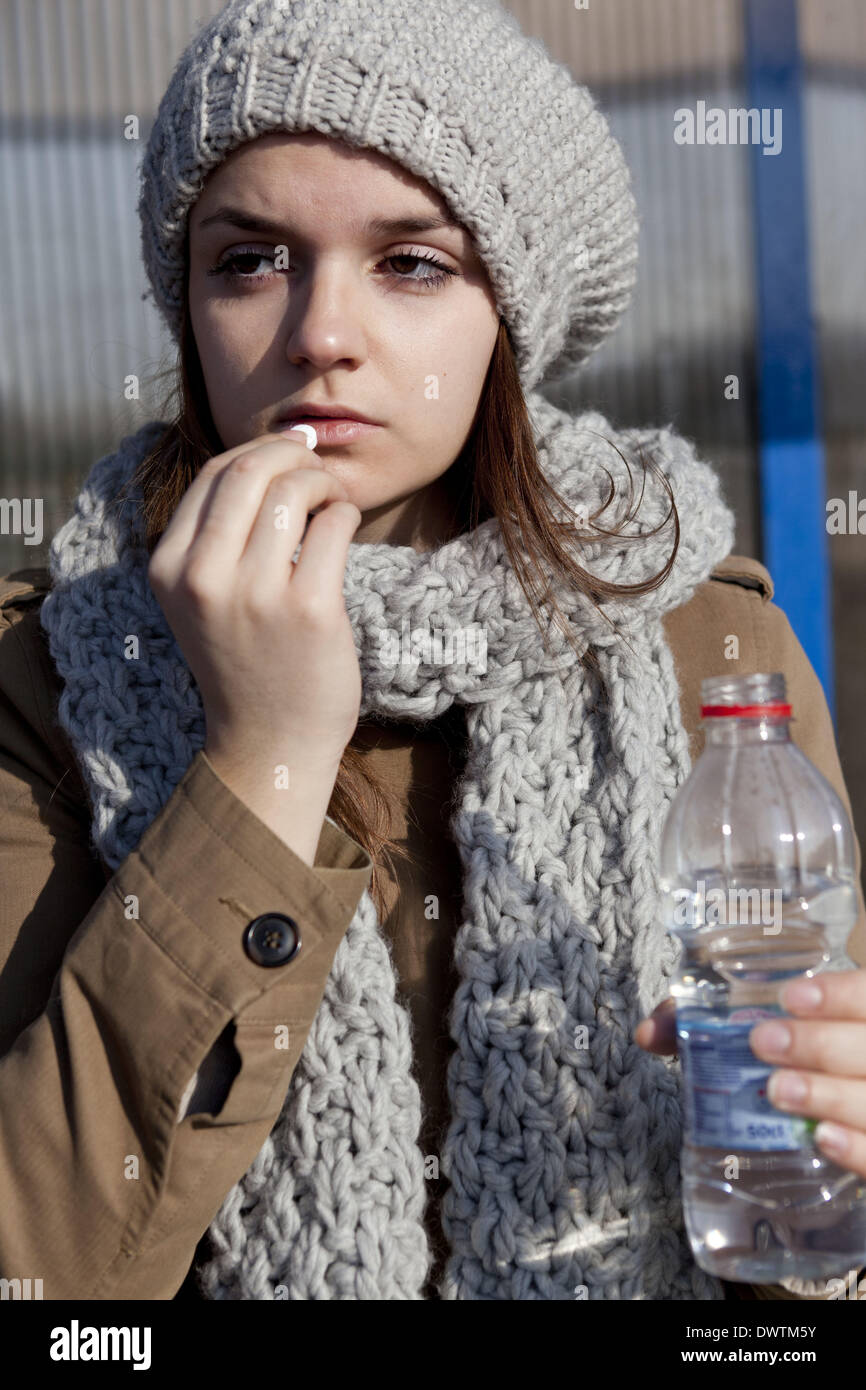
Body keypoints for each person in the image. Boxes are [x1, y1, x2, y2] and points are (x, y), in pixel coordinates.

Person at [1, 0, 865, 1303]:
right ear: (184, 304)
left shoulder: (710, 644)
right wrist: (261, 758)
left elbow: (795, 1207)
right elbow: (42, 1258)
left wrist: (832, 1160)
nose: (318, 334)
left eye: (410, 263)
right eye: (249, 260)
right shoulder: (49, 671)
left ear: (508, 317)